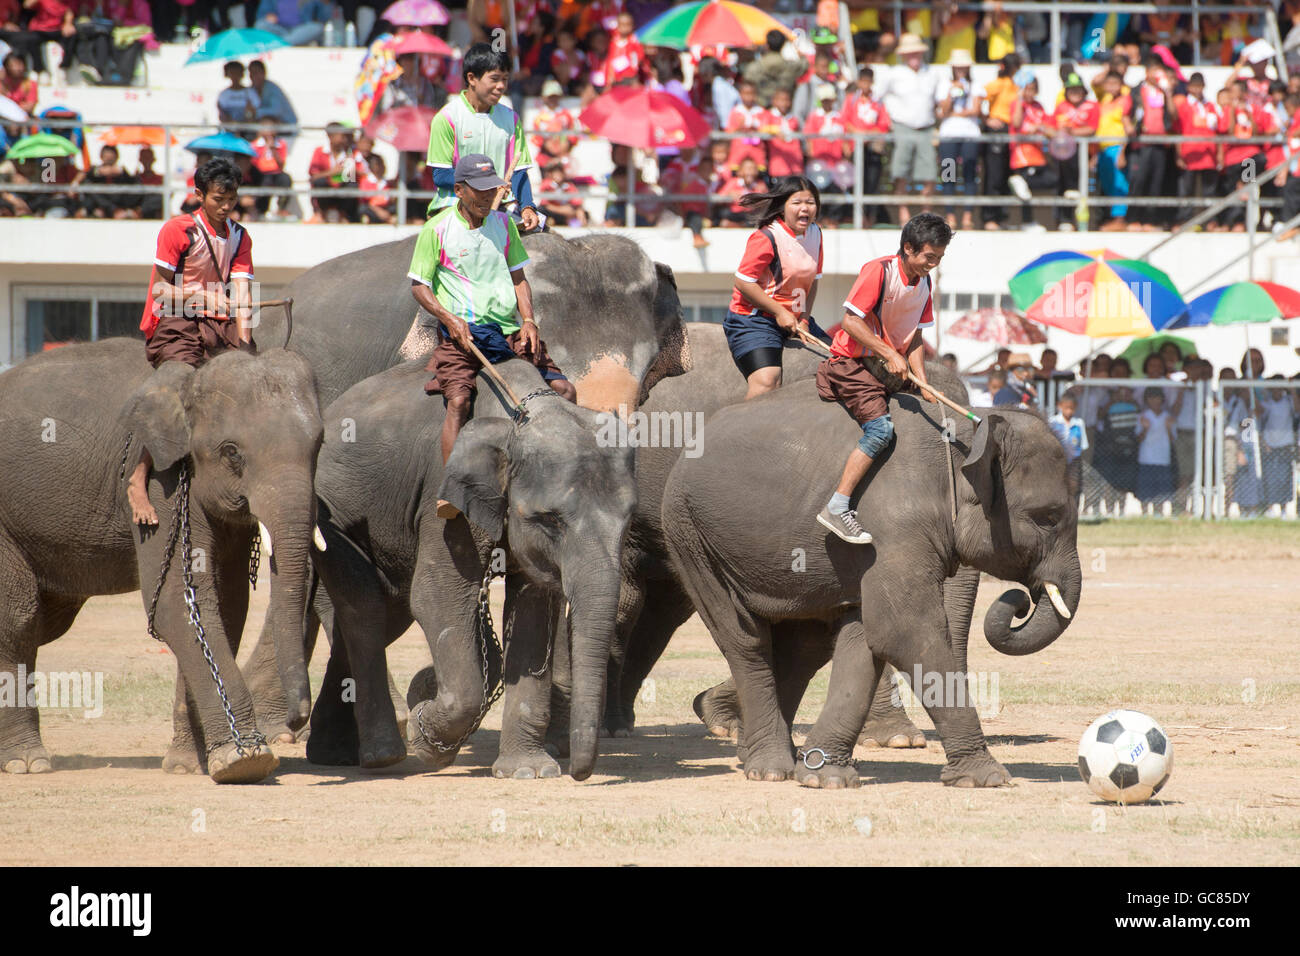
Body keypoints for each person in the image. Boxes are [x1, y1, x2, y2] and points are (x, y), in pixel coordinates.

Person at [411, 154, 577, 517]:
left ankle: (563, 477)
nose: (488, 198)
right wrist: (447, 317)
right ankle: (452, 488)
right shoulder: (436, 230)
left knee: (565, 390)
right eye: (480, 191)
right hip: (463, 334)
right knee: (458, 402)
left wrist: (529, 320)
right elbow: (419, 286)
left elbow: (519, 277)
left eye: (492, 190)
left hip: (509, 332)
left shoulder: (505, 224)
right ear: (459, 190)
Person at [128, 157, 256, 525]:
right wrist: (202, 298)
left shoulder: (241, 236)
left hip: (218, 322)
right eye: (219, 198)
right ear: (199, 194)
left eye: (232, 198)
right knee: (181, 380)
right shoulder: (178, 230)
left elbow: (243, 294)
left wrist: (244, 340)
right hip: (174, 319)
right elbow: (159, 290)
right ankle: (138, 476)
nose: (227, 206)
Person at [814, 213, 950, 544]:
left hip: (887, 367)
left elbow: (915, 336)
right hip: (852, 364)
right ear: (908, 248)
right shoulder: (880, 270)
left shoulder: (925, 283)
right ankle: (837, 505)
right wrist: (890, 354)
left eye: (939, 258)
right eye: (929, 257)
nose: (933, 264)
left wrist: (923, 381)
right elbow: (850, 322)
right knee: (881, 430)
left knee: (935, 407)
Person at [724, 176, 829, 400]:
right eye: (797, 202)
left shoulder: (816, 234)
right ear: (782, 206)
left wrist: (804, 320)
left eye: (810, 203)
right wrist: (780, 312)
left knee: (844, 364)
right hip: (754, 319)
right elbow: (743, 283)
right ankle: (740, 430)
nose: (805, 209)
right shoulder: (766, 236)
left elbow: (814, 282)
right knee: (767, 381)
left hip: (795, 320)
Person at [426, 43, 538, 232]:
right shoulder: (447, 118)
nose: (501, 86)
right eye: (494, 79)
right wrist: (486, 187)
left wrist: (528, 207)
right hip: (456, 203)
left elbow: (519, 172)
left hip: (502, 204)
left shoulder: (511, 119)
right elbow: (441, 175)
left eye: (505, 79)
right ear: (472, 78)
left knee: (540, 237)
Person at [878, 32, 939, 226]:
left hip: (927, 127)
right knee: (900, 172)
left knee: (930, 173)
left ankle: (926, 214)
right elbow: (877, 98)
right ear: (903, 55)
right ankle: (904, 214)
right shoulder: (893, 74)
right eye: (910, 53)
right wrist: (887, 121)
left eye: (916, 52)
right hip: (902, 126)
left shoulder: (932, 73)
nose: (914, 56)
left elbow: (939, 101)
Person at [936, 48, 981, 231]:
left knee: (970, 175)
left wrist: (960, 112)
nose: (961, 70)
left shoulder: (976, 85)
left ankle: (968, 215)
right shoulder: (944, 85)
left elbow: (976, 110)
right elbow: (944, 111)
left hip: (970, 135)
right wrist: (952, 93)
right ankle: (951, 214)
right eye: (958, 67)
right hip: (949, 135)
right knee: (949, 175)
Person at [1136, 386, 1176, 514]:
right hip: (1146, 458)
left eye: (1157, 397)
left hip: (1163, 459)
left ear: (1162, 399)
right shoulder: (1143, 416)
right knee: (1145, 491)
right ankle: (1144, 514)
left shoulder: (1167, 417)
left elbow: (1172, 440)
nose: (1154, 401)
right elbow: (1138, 439)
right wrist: (1145, 428)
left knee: (1160, 491)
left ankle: (1158, 514)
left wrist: (1169, 428)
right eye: (1151, 398)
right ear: (1146, 400)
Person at [743, 28, 803, 108]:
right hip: (783, 111)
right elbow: (805, 63)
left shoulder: (754, 67)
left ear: (766, 45)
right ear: (783, 45)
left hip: (759, 111)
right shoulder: (791, 67)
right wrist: (794, 45)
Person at [1050, 392, 1088, 502]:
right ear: (1060, 406)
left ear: (1076, 408)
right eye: (1066, 408)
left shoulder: (1079, 423)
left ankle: (1073, 512)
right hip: (1057, 461)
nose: (1069, 411)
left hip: (1074, 462)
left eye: (1072, 408)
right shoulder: (1053, 421)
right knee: (1057, 487)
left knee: (1074, 487)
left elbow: (1083, 444)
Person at [248, 60, 299, 135]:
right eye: (251, 73)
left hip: (287, 127)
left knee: (266, 122)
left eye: (256, 72)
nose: (254, 76)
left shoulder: (272, 89)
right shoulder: (251, 90)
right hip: (266, 127)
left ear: (264, 73)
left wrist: (256, 112)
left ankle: (267, 144)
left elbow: (276, 110)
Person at [254, 0, 330, 47]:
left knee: (317, 28)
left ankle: (280, 43)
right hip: (279, 29)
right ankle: (286, 42)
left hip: (300, 30)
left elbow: (323, 18)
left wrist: (325, 4)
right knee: (260, 25)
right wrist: (268, 16)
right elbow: (261, 15)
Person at [217, 61, 260, 135]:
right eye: (232, 73)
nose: (235, 76)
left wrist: (249, 114)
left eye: (237, 72)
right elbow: (222, 114)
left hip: (248, 130)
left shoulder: (250, 92)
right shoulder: (224, 94)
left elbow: (256, 112)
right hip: (229, 131)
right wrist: (232, 124)